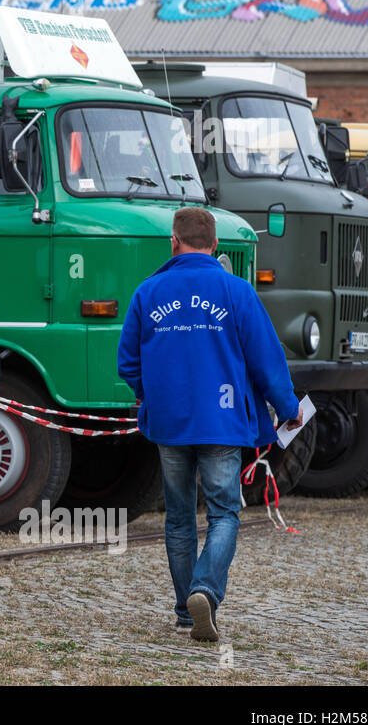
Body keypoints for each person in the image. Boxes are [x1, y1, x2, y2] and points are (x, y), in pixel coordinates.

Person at [117, 207, 302, 642]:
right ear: (215, 244)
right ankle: (205, 590)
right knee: (224, 514)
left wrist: (149, 394)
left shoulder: (148, 292)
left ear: (174, 242)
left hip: (169, 423)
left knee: (179, 519)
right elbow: (266, 361)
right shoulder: (236, 291)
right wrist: (288, 405)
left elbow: (127, 362)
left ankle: (186, 610)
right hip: (222, 423)